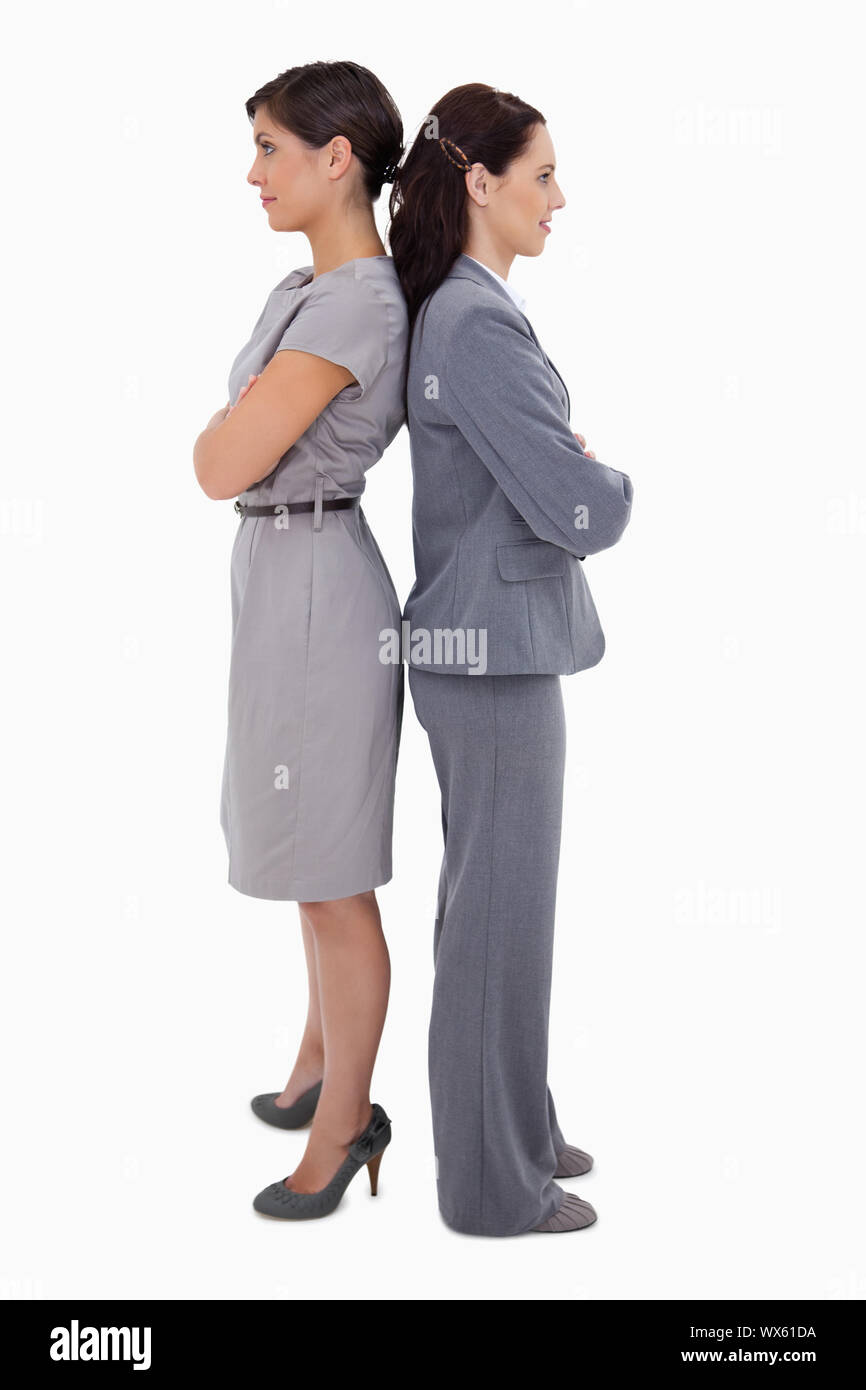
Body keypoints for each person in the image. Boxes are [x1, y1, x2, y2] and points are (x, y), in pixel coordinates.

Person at [388, 84, 634, 1236]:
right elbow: (582, 508)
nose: (558, 197)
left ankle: (517, 1128)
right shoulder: (473, 322)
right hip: (488, 654)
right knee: (495, 918)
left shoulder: (459, 307)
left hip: (482, 645)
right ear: (479, 182)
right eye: (540, 175)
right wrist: (597, 478)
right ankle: (491, 1186)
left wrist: (558, 469)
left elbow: (533, 478)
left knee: (497, 911)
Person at [193, 61, 407, 1220]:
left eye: (271, 147)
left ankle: (345, 1125)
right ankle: (317, 1059)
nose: (253, 170)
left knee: (330, 871)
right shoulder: (305, 287)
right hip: (284, 567)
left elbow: (220, 460)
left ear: (337, 159)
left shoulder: (355, 302)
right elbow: (234, 451)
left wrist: (227, 431)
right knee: (298, 842)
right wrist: (234, 431)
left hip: (320, 580)